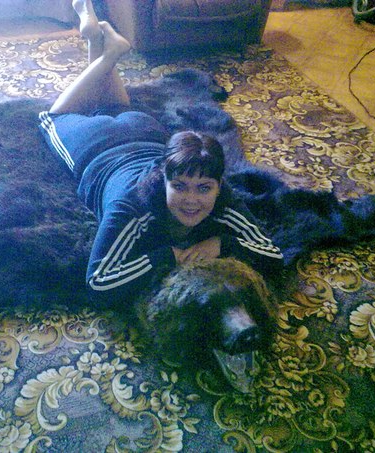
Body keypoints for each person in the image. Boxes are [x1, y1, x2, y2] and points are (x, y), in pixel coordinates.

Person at [39, 0, 283, 306]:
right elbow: (98, 282)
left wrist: (223, 243)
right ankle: (108, 53)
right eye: (179, 186)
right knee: (51, 119)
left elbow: (274, 255)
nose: (191, 200)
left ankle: (98, 41)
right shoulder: (132, 206)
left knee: (114, 107)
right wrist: (168, 256)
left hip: (143, 131)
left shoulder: (225, 200)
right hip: (99, 149)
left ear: (219, 185)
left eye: (203, 188)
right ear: (162, 178)